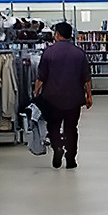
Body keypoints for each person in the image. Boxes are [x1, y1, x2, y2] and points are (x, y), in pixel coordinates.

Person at [34, 21, 92, 169]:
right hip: (74, 98)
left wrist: (35, 93)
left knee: (53, 126)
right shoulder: (79, 53)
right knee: (71, 128)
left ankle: (58, 147)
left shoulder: (49, 52)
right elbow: (86, 78)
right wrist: (89, 96)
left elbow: (41, 77)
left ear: (58, 35)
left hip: (52, 98)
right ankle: (71, 158)